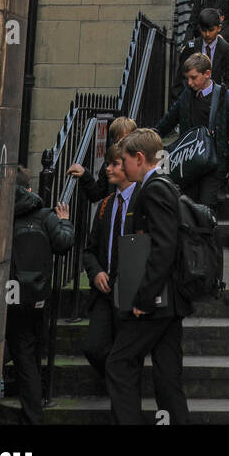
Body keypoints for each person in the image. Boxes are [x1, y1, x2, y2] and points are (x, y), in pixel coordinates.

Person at [104, 129, 192, 425]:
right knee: (167, 376)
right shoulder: (165, 185)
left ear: (139, 158)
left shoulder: (153, 189)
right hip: (170, 299)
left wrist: (144, 297)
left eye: (125, 160)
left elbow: (163, 246)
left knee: (118, 364)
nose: (123, 167)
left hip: (157, 299)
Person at [5, 165, 74, 424]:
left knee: (21, 353)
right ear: (30, 188)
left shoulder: (2, 214)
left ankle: (29, 410)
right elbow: (64, 243)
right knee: (29, 354)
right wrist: (64, 220)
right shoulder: (45, 216)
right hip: (38, 296)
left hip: (9, 295)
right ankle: (33, 414)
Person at [153, 52, 229, 209]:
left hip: (213, 163)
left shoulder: (225, 97)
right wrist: (149, 137)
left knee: (207, 207)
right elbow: (168, 121)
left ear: (207, 74)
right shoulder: (186, 95)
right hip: (189, 162)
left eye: (193, 77)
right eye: (187, 78)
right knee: (188, 208)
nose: (189, 82)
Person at [81, 145, 136, 384]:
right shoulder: (105, 205)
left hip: (130, 291)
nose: (108, 169)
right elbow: (89, 251)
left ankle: (121, 390)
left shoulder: (142, 201)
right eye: (108, 164)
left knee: (125, 354)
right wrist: (96, 273)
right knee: (94, 347)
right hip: (104, 291)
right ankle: (116, 383)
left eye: (114, 164)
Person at [67, 116, 137, 202]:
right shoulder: (108, 165)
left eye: (125, 140)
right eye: (117, 141)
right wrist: (85, 175)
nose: (121, 144)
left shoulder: (141, 165)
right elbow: (97, 194)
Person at [191, 8, 229, 92]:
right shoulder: (192, 47)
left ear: (219, 28)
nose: (207, 34)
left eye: (211, 30)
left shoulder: (228, 51)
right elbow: (181, 79)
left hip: (217, 98)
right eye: (204, 30)